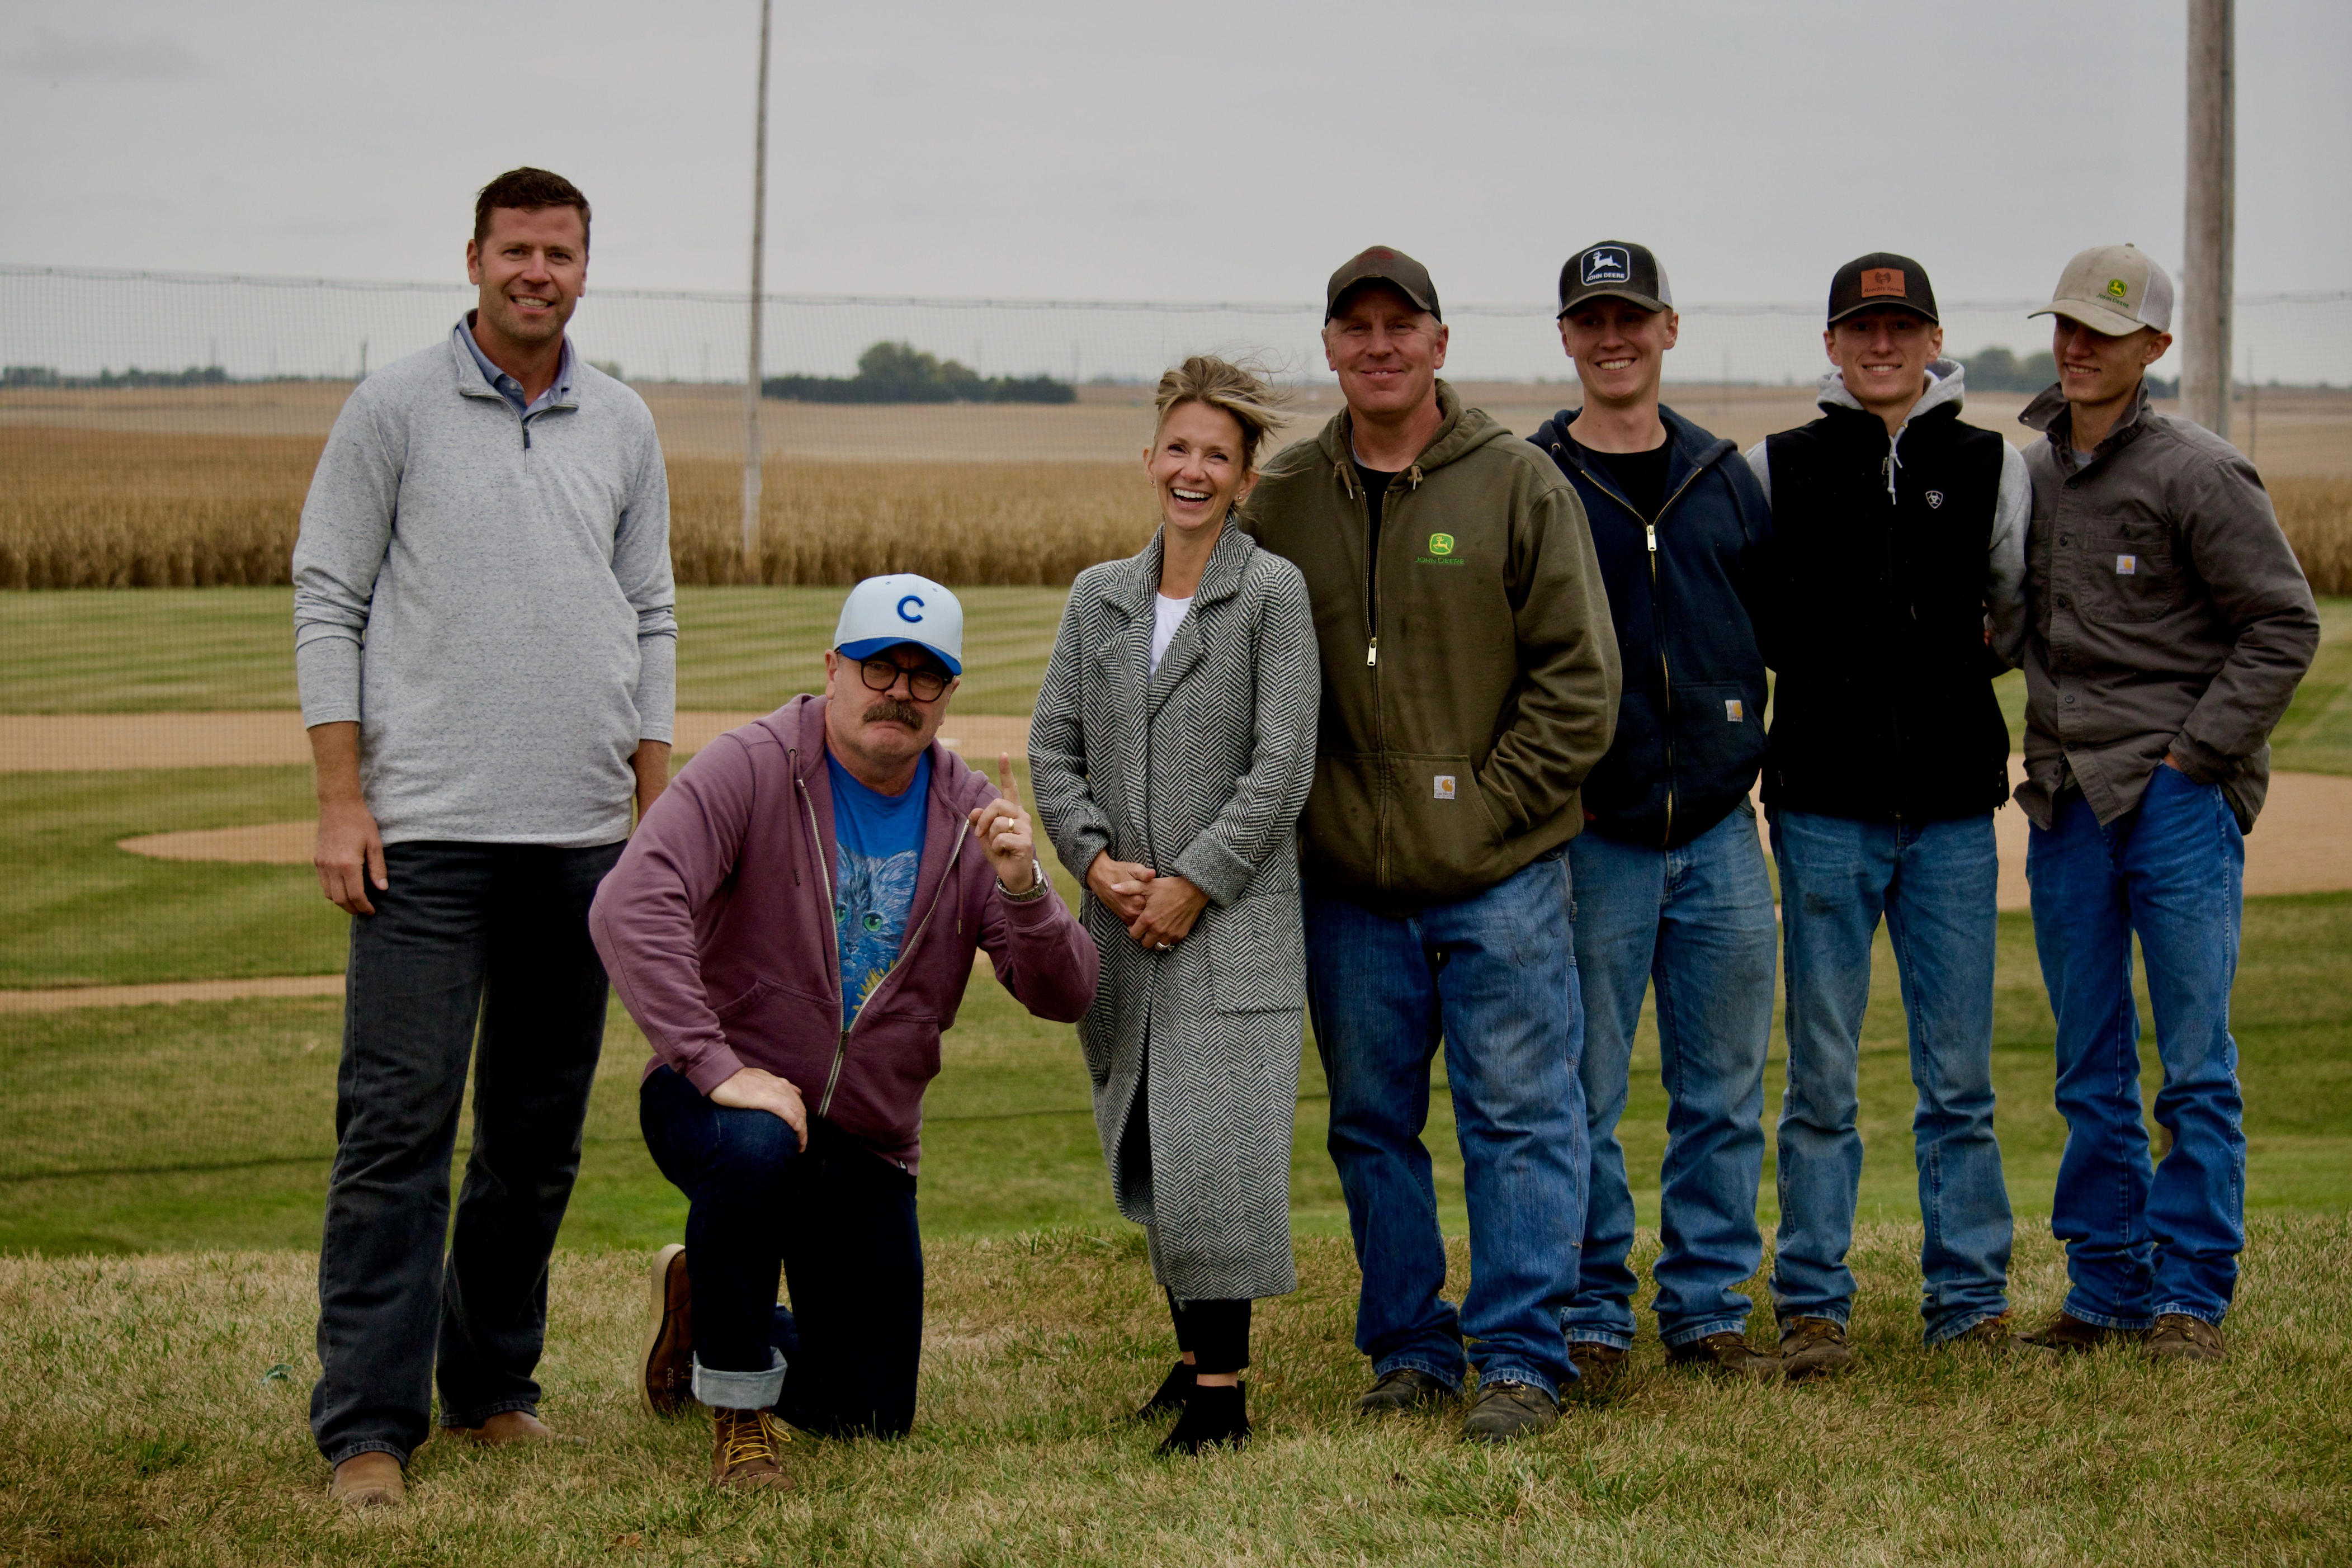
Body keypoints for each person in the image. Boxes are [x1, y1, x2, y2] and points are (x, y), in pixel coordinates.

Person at [291, 167, 676, 1508]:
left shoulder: (622, 421)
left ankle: (492, 1384)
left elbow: (652, 614)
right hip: (425, 841)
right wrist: (344, 799)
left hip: (579, 843)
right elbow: (328, 595)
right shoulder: (393, 407)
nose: (538, 272)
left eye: (560, 253)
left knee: (534, 1136)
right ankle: (368, 1429)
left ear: (585, 267)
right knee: (395, 1130)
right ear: (473, 258)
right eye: (517, 250)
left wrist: (651, 812)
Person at [591, 575, 1098, 1489]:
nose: (897, 693)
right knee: (752, 1150)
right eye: (877, 668)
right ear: (833, 668)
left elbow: (1064, 993)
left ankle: (705, 1309)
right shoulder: (753, 766)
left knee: (869, 1412)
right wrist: (714, 1065)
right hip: (721, 1101)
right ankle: (738, 1417)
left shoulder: (969, 814)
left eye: (924, 676)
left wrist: (1024, 888)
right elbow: (631, 901)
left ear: (947, 694)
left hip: (861, 1140)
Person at [1242, 246, 1620, 1443]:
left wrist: (1486, 812)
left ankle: (1521, 1356)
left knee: (1520, 1119)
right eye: (1354, 327)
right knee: (1372, 1125)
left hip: (1502, 879)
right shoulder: (1287, 497)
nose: (1378, 345)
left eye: (1400, 325)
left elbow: (1579, 683)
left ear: (1440, 345)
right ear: (1332, 350)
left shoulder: (1516, 483)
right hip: (1351, 887)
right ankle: (1412, 1346)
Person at [2011, 245, 2318, 1363]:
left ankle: (2191, 1295)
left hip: (2177, 800)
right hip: (2064, 800)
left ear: (2156, 347)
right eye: (2066, 325)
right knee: (2091, 1062)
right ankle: (2106, 1291)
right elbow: (2010, 628)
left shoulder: (2199, 471)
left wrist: (2198, 759)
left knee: (2192, 1060)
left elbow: (2284, 625)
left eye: (2104, 328)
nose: (2078, 345)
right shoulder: (2030, 475)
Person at [1743, 252, 2034, 1378]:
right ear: (1831, 344)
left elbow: (2010, 612)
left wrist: (1949, 682)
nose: (1882, 345)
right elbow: (1759, 614)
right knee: (1820, 1072)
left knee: (1956, 1075)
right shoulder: (1783, 466)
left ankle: (1969, 1295)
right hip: (1822, 804)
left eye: (1900, 325)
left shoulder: (1990, 462)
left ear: (1931, 337)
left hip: (1955, 810)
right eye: (1861, 328)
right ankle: (1814, 1301)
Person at [1028, 357, 1319, 1456]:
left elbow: (1280, 767)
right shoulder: (1097, 596)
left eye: (1219, 456)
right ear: (1150, 458)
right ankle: (1194, 1358)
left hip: (1230, 923)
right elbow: (1054, 747)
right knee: (1154, 1150)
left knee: (1216, 1163)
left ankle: (1223, 1401)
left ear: (1245, 481)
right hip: (1122, 927)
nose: (1194, 470)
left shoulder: (1271, 597)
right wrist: (1097, 866)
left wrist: (1195, 881)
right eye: (1179, 448)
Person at [1526, 242, 1779, 1389]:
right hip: (1595, 837)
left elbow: (1774, 629)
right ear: (1567, 336)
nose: (1612, 337)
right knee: (1580, 1088)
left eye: (1632, 317)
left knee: (1722, 1091)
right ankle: (1590, 1311)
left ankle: (1709, 1307)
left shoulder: (1726, 476)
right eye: (1592, 320)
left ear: (1669, 329)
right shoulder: (1533, 478)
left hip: (1721, 831)